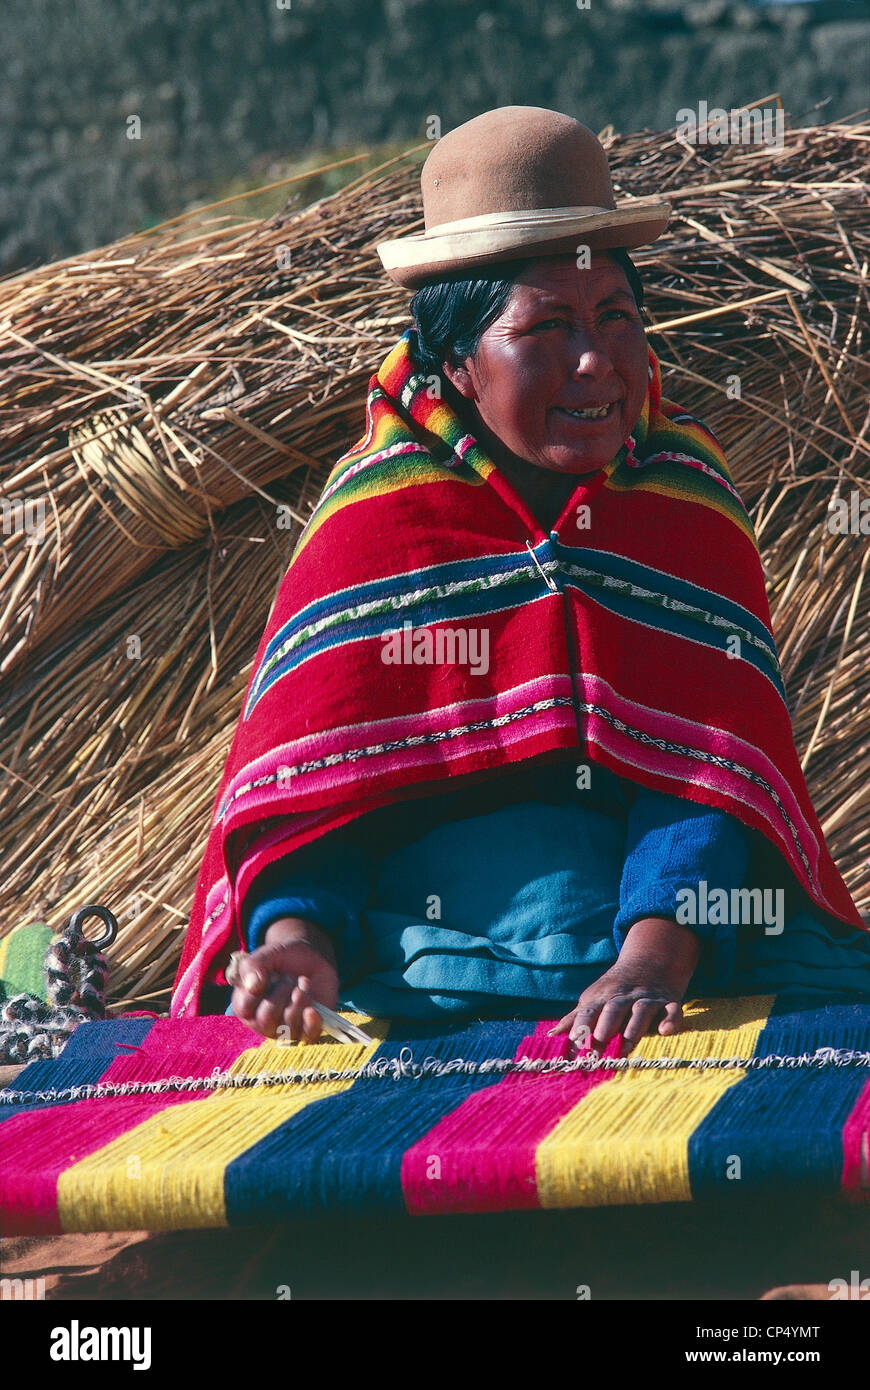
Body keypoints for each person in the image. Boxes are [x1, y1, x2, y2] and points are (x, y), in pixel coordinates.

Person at [172, 106, 870, 1048]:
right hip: (411, 974)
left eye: (616, 317)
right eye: (546, 327)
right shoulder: (377, 524)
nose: (595, 362)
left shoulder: (682, 494)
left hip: (676, 962)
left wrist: (651, 961)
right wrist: (300, 938)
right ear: (457, 361)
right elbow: (321, 781)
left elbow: (712, 765)